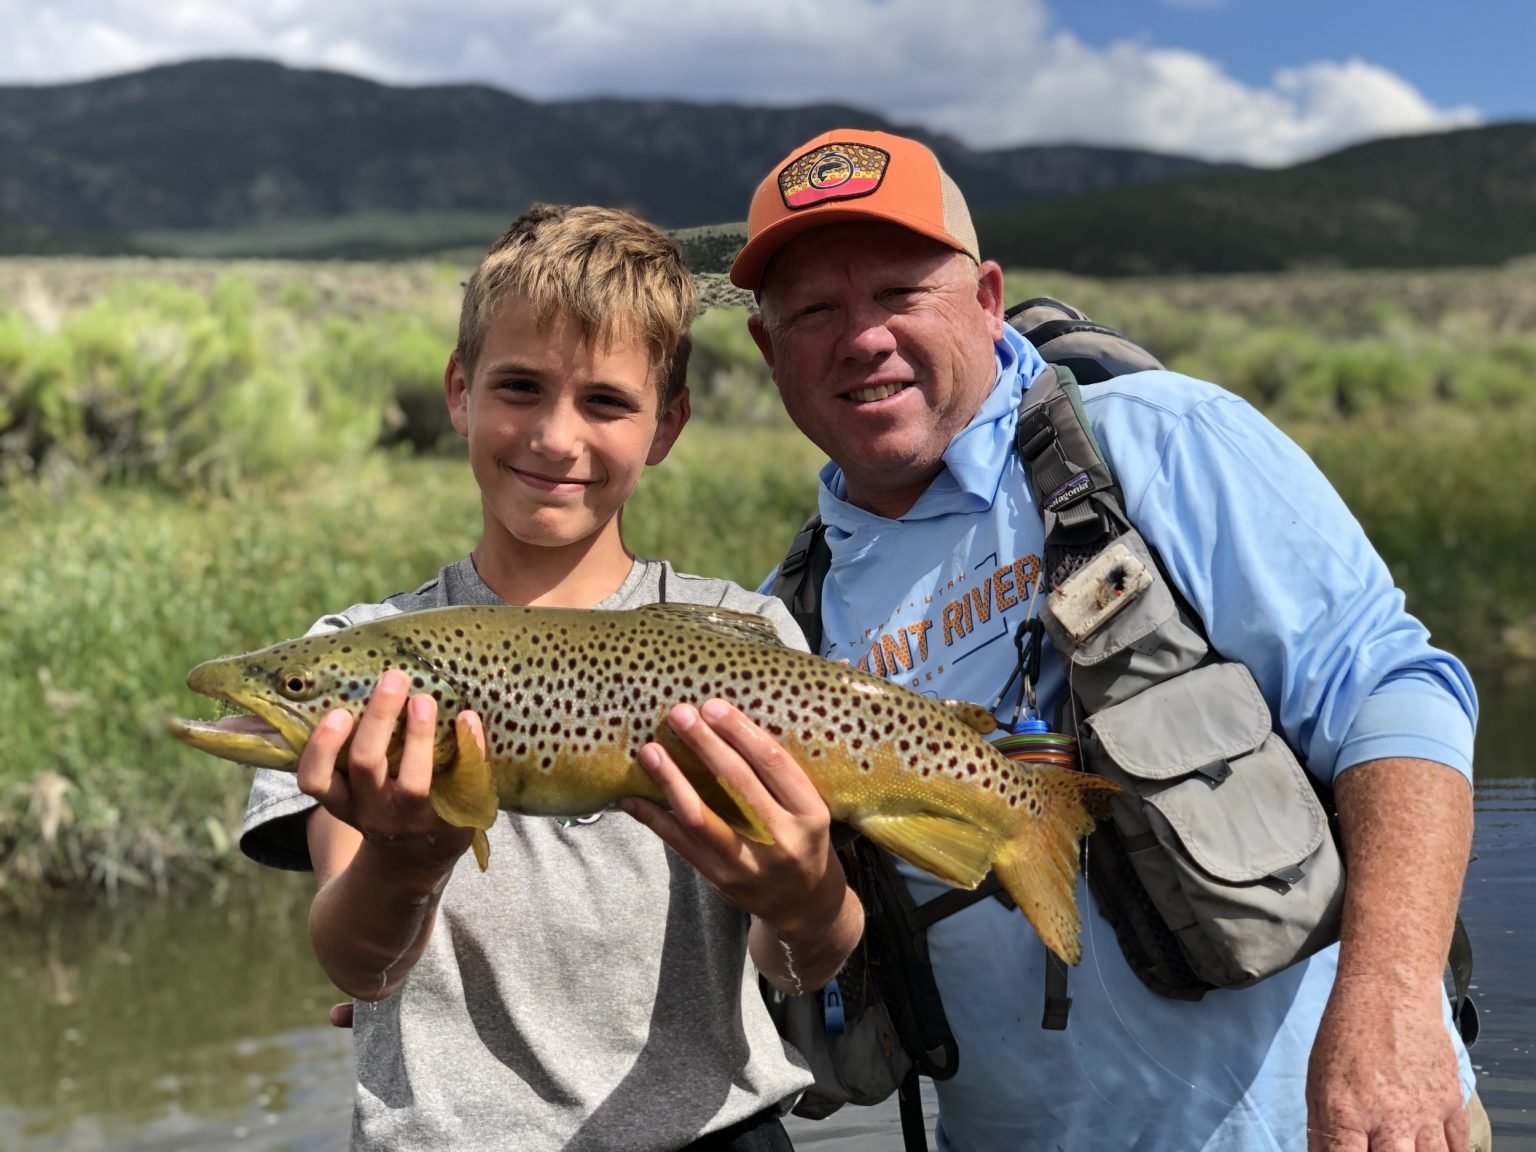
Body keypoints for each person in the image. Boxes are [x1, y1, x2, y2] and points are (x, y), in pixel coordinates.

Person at [729, 129, 1488, 1152]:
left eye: (901, 292)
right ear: (769, 352)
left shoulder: (1160, 441)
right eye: (814, 311)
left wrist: (1393, 1005)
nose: (861, 338)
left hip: (1335, 1125)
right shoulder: (786, 622)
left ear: (986, 298)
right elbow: (806, 952)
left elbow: (1396, 694)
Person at [238, 203, 864, 1152]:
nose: (556, 439)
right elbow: (360, 967)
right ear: (460, 391)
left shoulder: (749, 642)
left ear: (668, 424)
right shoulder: (360, 653)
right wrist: (408, 859)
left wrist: (808, 900)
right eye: (520, 388)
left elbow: (802, 963)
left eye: (606, 402)